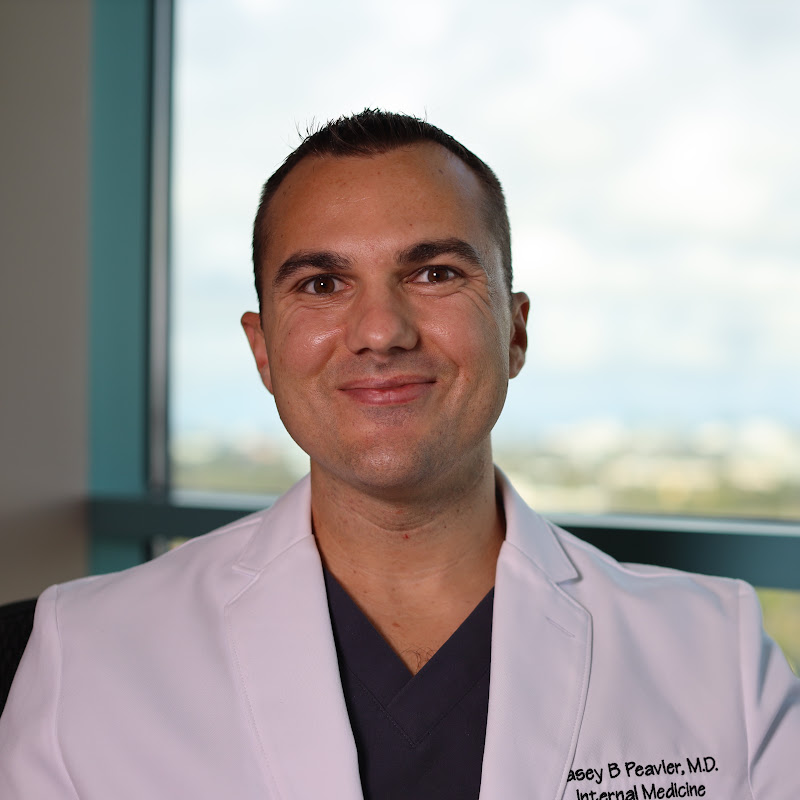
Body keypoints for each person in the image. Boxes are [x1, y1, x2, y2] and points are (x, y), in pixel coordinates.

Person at [0, 110, 798, 799]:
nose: (381, 331)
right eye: (322, 284)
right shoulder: (88, 650)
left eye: (434, 272)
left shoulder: (713, 654)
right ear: (263, 350)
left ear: (515, 331)